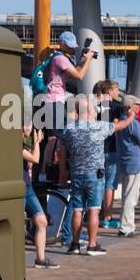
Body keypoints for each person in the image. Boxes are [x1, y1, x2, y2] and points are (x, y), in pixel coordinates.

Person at [59, 94, 116, 255]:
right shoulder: (99, 126)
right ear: (90, 111)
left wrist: (63, 171)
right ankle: (92, 245)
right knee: (93, 209)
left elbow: (62, 151)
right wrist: (130, 117)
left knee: (77, 209)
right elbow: (119, 126)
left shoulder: (69, 129)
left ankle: (74, 244)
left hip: (76, 173)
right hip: (95, 175)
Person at [93, 81, 137, 228]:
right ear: (110, 91)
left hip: (96, 149)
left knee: (98, 182)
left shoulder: (95, 107)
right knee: (110, 184)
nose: (118, 92)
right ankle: (107, 217)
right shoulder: (116, 108)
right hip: (112, 148)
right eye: (117, 89)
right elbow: (116, 127)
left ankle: (94, 214)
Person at [114, 92, 140, 237]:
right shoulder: (133, 123)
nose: (139, 106)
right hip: (134, 162)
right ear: (130, 107)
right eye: (136, 104)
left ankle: (126, 224)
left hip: (125, 160)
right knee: (131, 196)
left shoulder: (120, 122)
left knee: (127, 195)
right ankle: (126, 227)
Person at [22, 125, 57, 267]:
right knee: (18, 226)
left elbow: (30, 165)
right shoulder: (14, 145)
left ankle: (40, 259)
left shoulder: (24, 143)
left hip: (27, 187)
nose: (30, 129)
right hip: (19, 188)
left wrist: (33, 144)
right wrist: (36, 143)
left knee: (41, 221)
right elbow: (36, 159)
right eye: (27, 126)